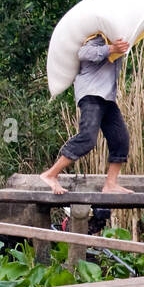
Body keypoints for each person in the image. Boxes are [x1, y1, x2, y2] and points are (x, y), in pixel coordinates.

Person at [40, 34, 132, 195]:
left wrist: (117, 46)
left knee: (121, 140)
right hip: (91, 95)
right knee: (88, 138)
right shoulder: (98, 37)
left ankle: (110, 184)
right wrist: (111, 48)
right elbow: (83, 53)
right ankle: (50, 174)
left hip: (107, 98)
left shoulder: (116, 39)